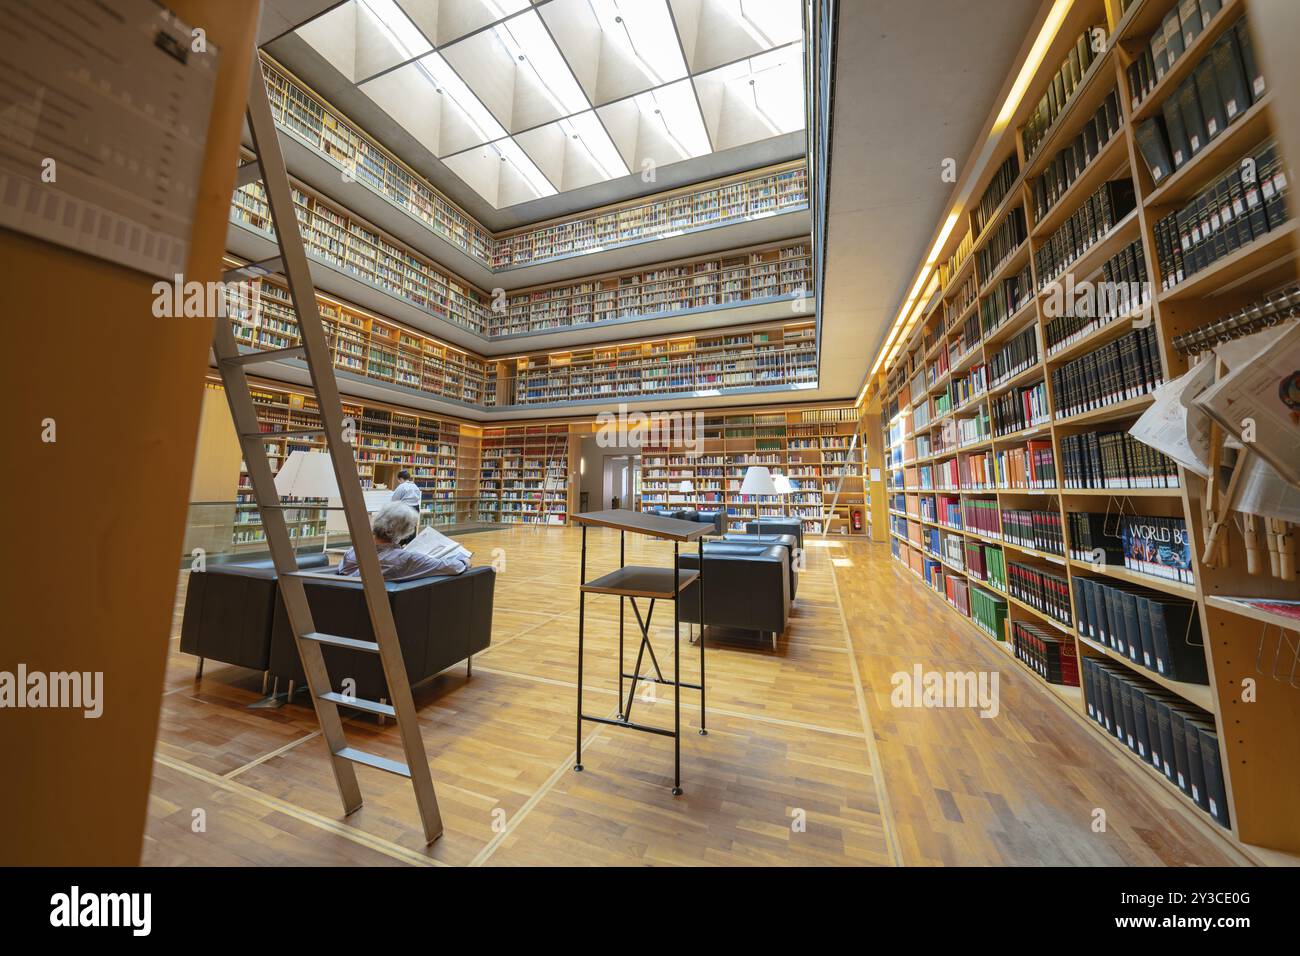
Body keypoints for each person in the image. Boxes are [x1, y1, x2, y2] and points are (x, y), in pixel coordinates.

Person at [335, 502, 470, 581]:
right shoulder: (405, 559)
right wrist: (464, 561)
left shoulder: (353, 552)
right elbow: (453, 567)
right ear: (405, 531)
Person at [389, 469, 422, 545]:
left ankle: (400, 544)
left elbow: (394, 499)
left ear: (400, 479)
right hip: (415, 508)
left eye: (398, 480)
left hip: (405, 508)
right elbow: (418, 497)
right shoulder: (415, 486)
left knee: (402, 527)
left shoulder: (402, 486)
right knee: (412, 527)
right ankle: (410, 545)